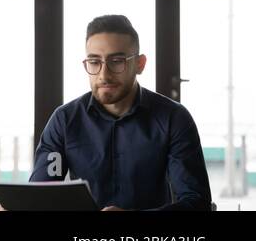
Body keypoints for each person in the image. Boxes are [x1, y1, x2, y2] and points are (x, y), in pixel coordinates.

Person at [24, 15, 211, 210]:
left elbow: (197, 203)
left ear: (140, 64)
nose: (104, 75)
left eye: (117, 61)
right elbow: (40, 195)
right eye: (94, 62)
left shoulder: (174, 118)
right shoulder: (64, 120)